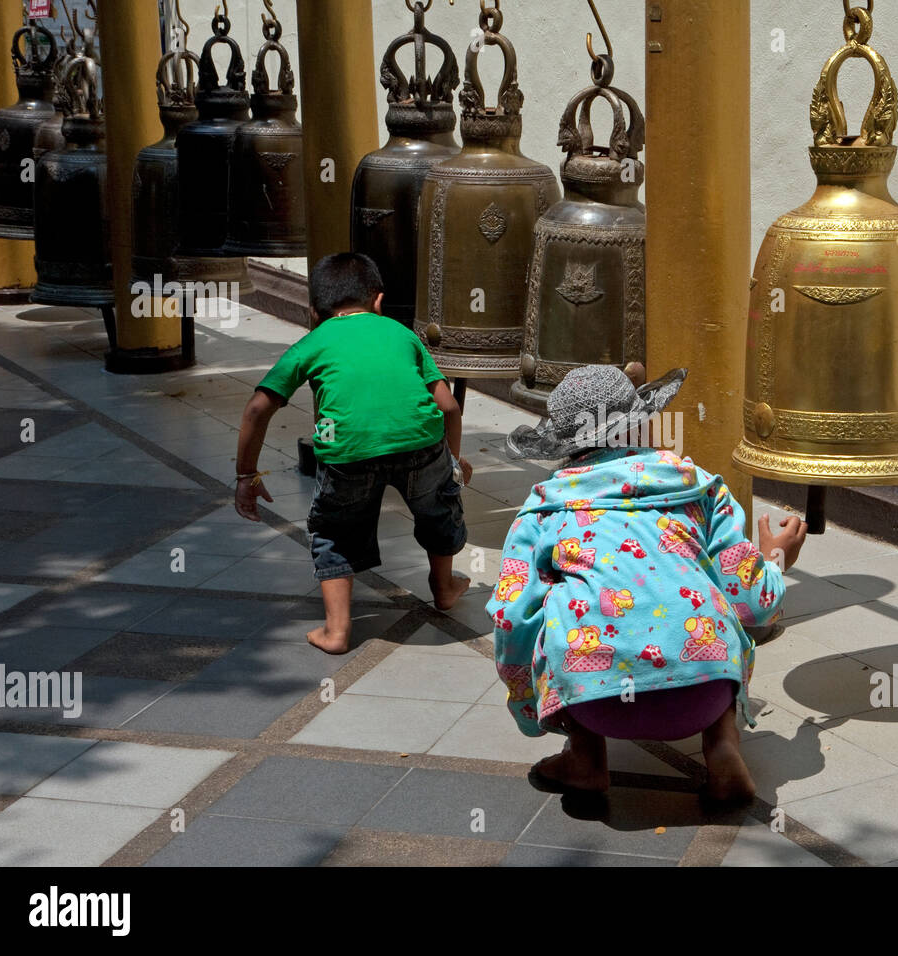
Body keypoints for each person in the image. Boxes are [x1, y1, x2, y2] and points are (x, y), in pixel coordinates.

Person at [486, 365, 807, 803]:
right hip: (705, 691)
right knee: (704, 606)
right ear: (642, 423)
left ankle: (585, 755)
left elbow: (511, 615)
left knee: (567, 614)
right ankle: (722, 744)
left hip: (594, 699)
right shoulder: (699, 489)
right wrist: (776, 555)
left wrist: (529, 708)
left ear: (563, 442)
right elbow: (756, 603)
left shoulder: (544, 510)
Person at [235, 252, 472, 654]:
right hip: (422, 441)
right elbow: (448, 406)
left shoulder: (313, 341)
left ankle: (337, 630)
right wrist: (451, 460)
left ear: (314, 312)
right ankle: (444, 588)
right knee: (438, 509)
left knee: (335, 530)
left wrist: (246, 476)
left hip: (347, 452)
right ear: (378, 301)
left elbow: (258, 408)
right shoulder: (400, 333)